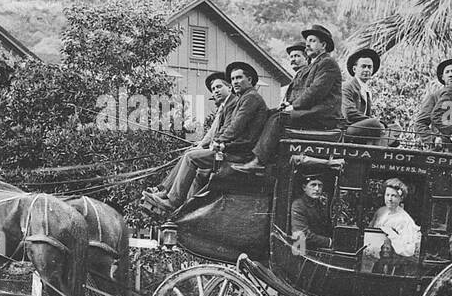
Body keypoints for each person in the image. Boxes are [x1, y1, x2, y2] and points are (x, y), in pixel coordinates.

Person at [152, 62, 267, 211]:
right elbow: (230, 127)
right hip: (235, 150)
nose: (235, 82)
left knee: (191, 158)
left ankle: (174, 201)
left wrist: (220, 141)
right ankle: (180, 203)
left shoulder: (251, 98)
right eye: (233, 79)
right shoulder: (244, 98)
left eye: (239, 77)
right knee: (192, 158)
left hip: (240, 154)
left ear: (250, 80)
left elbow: (236, 126)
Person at [236, 24, 342, 171]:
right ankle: (251, 154)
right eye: (307, 42)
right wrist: (288, 104)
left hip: (323, 115)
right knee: (268, 114)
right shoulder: (314, 65)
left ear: (323, 45)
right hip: (313, 111)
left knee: (279, 118)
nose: (307, 46)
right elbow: (304, 92)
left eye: (312, 41)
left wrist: (293, 106)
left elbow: (315, 92)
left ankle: (260, 160)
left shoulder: (327, 63)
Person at [145, 70, 231, 212]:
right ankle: (164, 190)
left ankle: (173, 199)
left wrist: (207, 145)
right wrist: (201, 144)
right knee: (189, 152)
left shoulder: (231, 105)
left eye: (219, 87)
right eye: (213, 89)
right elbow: (212, 132)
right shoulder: (223, 107)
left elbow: (224, 132)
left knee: (190, 156)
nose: (215, 91)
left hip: (223, 153)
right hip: (216, 150)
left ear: (229, 88)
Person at [368, 177, 422, 260]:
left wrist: (391, 233)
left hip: (394, 262)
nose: (389, 199)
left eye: (394, 196)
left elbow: (409, 250)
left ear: (401, 198)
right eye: (387, 195)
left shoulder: (404, 220)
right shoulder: (380, 211)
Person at [341, 46, 387, 142]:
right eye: (363, 66)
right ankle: (381, 145)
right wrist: (372, 121)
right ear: (354, 69)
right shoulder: (348, 86)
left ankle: (382, 141)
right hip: (348, 128)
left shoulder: (366, 90)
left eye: (369, 67)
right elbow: (349, 113)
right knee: (375, 124)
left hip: (361, 127)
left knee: (395, 127)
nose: (366, 70)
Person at [410, 57, 452, 137]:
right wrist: (433, 139)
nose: (450, 75)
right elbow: (420, 123)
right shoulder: (435, 97)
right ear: (442, 77)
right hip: (443, 144)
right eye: (447, 72)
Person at [289, 174, 333, 252]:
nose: (317, 189)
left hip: (317, 249)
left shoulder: (318, 204)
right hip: (302, 251)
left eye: (320, 186)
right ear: (304, 187)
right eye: (313, 185)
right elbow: (301, 235)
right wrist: (329, 242)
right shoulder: (298, 205)